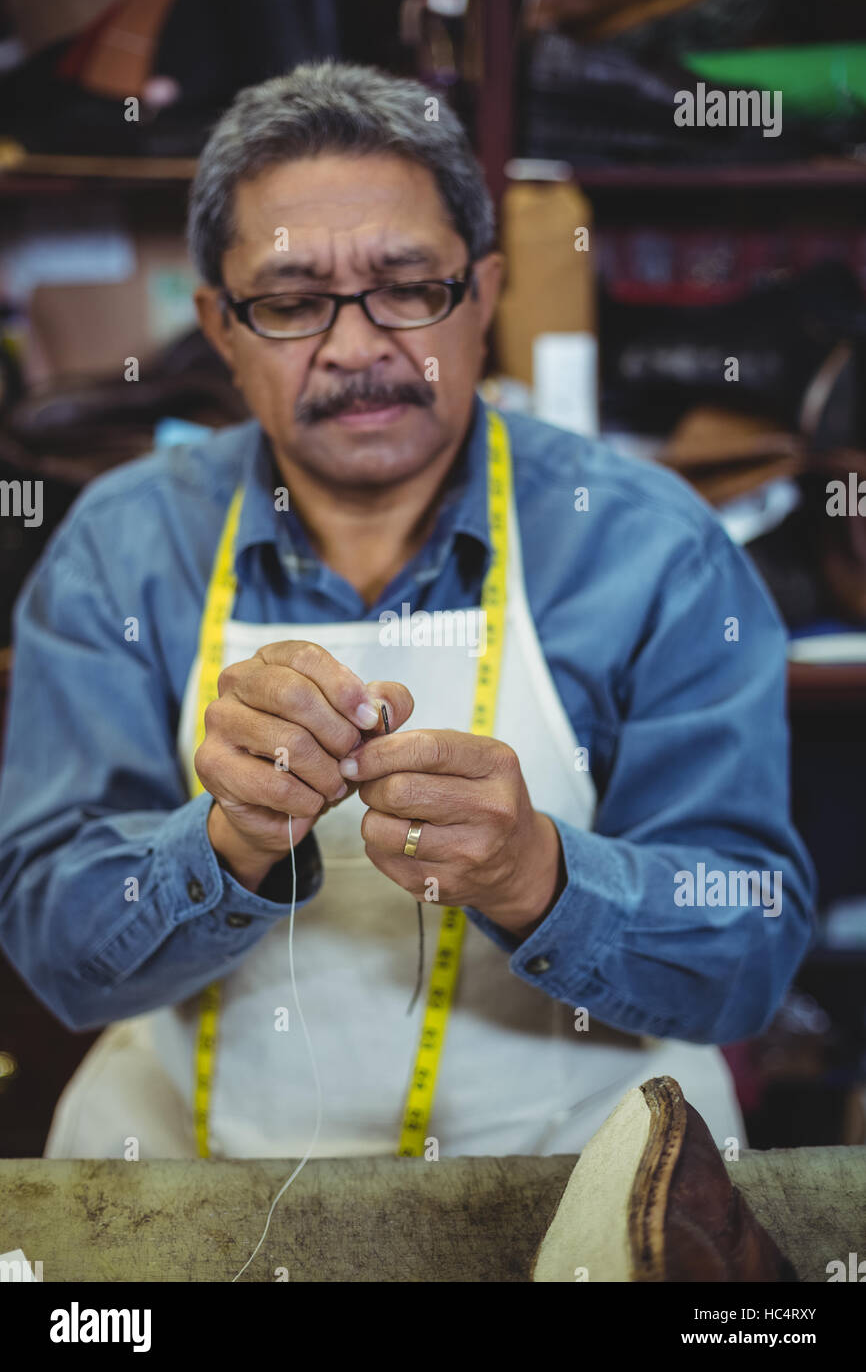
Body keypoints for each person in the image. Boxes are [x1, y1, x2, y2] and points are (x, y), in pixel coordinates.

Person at [0, 61, 815, 1161]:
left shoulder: (647, 544)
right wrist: (224, 842)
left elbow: (751, 945)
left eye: (407, 287)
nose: (353, 347)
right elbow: (53, 944)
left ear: (482, 296)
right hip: (191, 1180)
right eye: (290, 303)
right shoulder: (123, 546)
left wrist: (539, 875)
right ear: (220, 328)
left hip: (575, 1168)